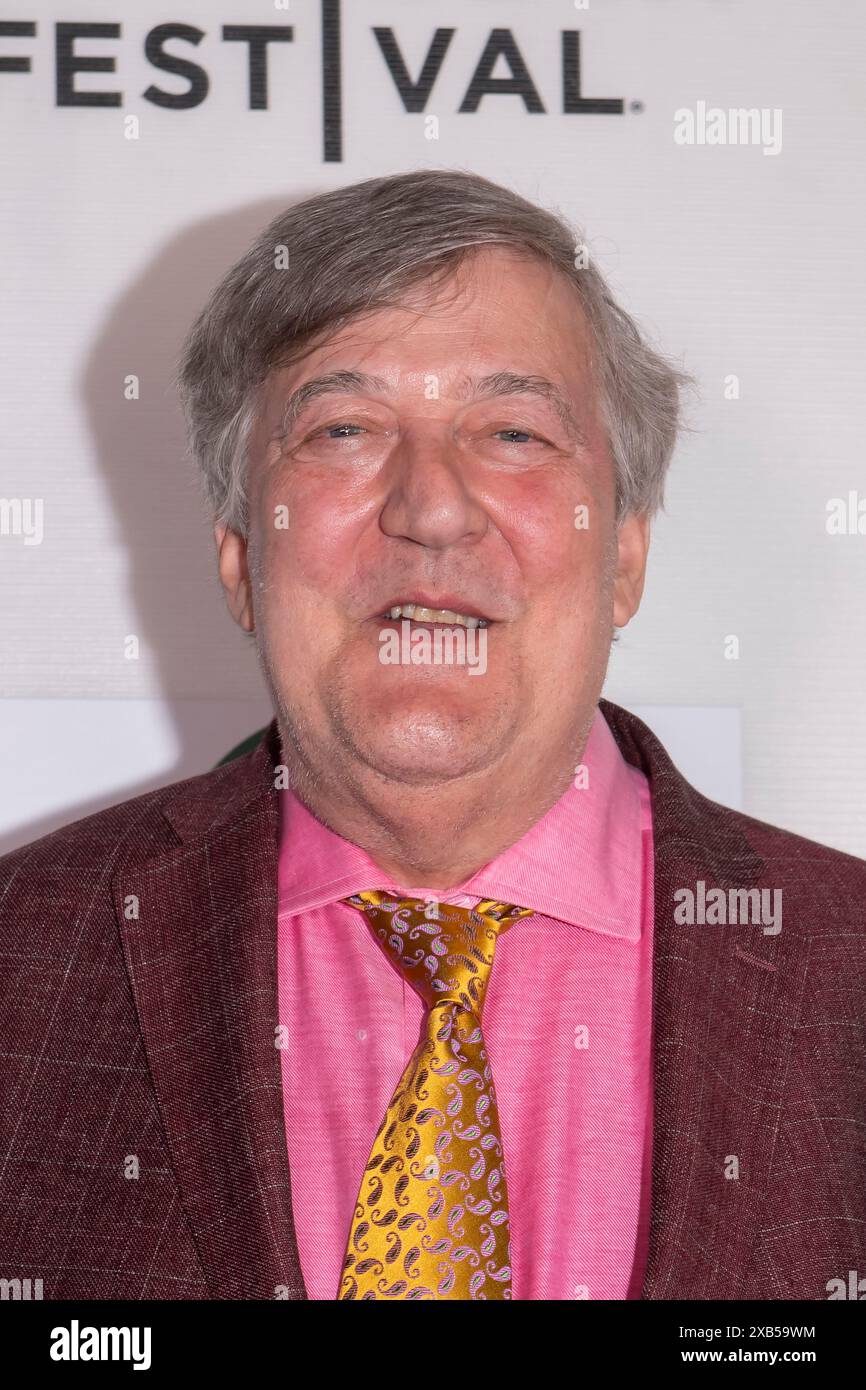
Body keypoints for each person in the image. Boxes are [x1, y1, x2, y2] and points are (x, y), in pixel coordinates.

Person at [1, 169, 864, 1301]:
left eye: (512, 431)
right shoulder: (25, 964)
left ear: (624, 556)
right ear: (239, 561)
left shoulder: (841, 968)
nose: (430, 508)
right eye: (342, 428)